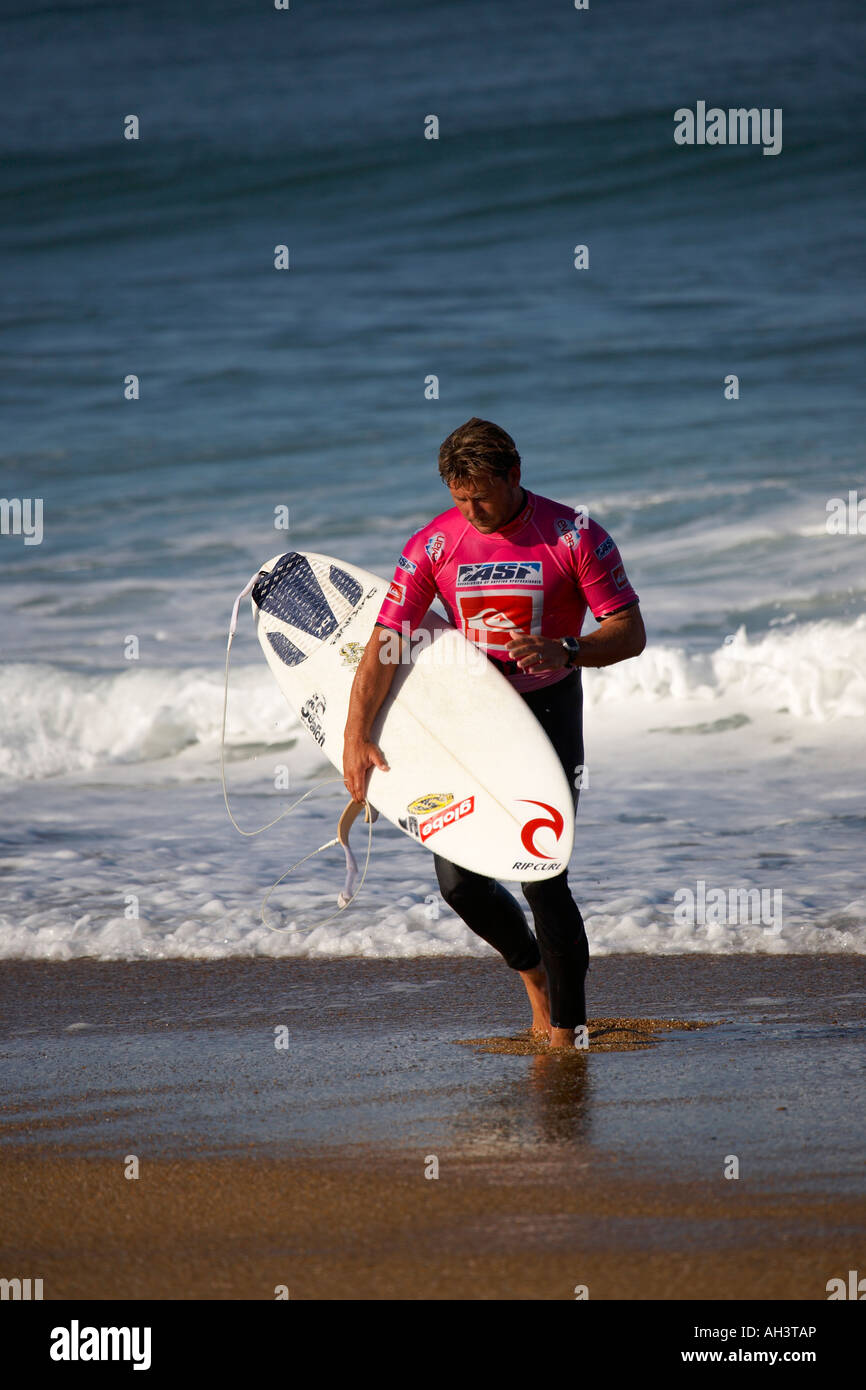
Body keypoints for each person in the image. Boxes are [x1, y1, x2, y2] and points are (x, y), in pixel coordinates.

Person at [342, 418, 645, 1049]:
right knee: (459, 882)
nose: (471, 510)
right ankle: (533, 972)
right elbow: (386, 640)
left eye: (481, 494)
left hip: (547, 712)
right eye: (459, 498)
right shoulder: (434, 544)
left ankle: (568, 1033)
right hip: (471, 721)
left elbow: (628, 632)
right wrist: (355, 732)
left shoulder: (572, 535)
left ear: (514, 473)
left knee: (541, 875)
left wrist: (566, 649)